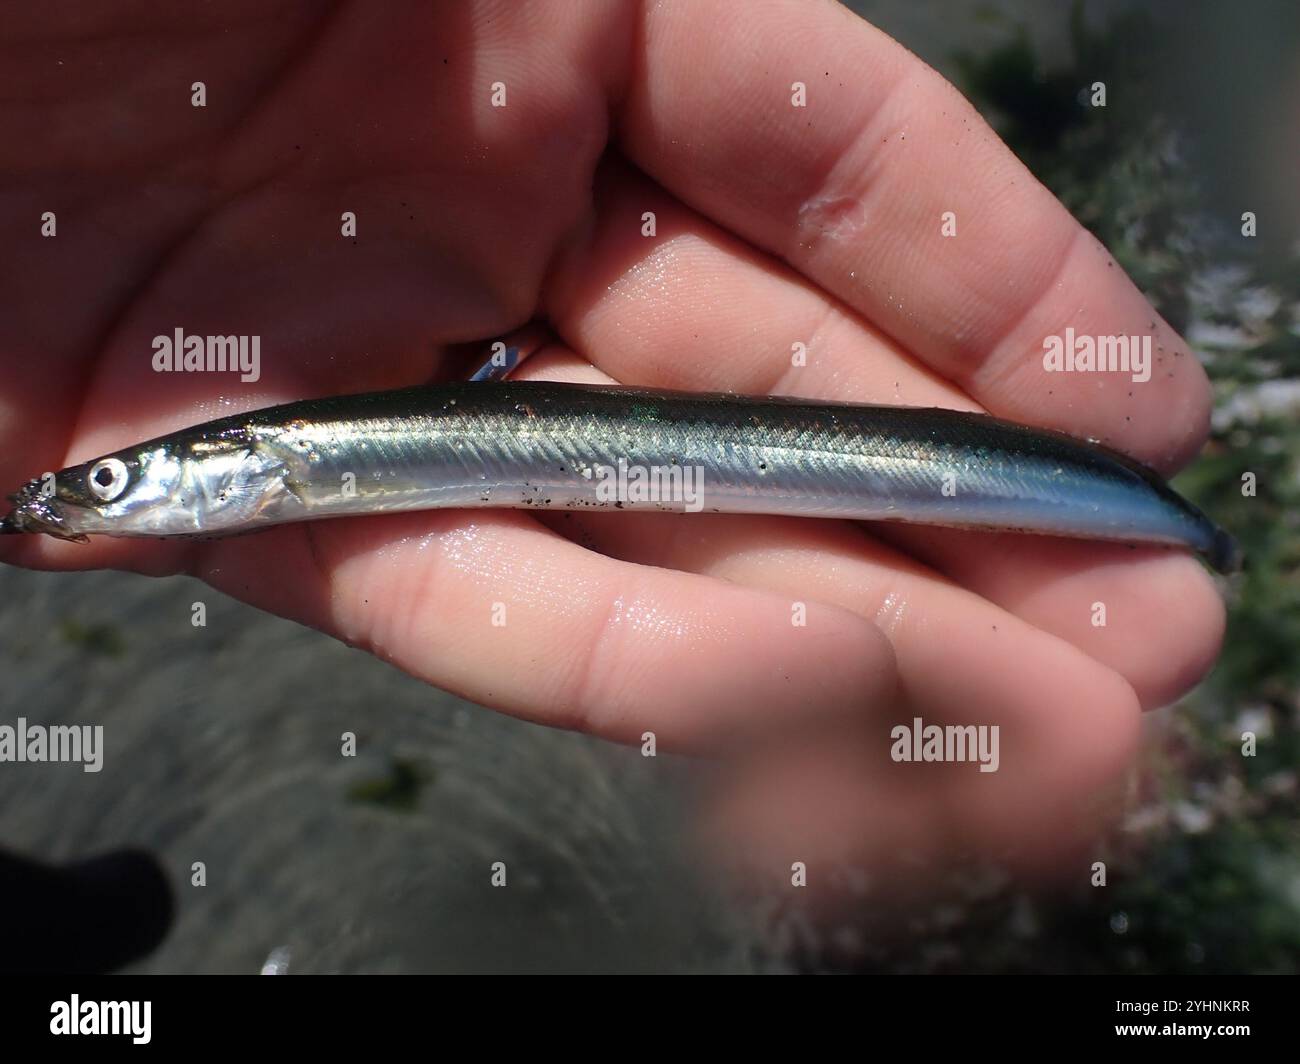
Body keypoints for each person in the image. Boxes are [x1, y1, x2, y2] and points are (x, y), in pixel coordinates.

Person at [0, 0, 1223, 898]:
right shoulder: (266, 456)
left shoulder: (291, 450)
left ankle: (1168, 518)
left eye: (115, 478)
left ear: (248, 464)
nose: (106, 492)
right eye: (107, 484)